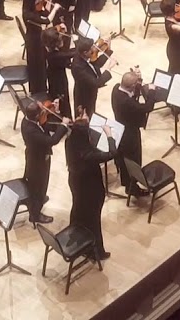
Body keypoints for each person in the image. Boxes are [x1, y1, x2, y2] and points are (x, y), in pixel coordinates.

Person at [66, 110, 117, 260]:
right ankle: (96, 252)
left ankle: (76, 237)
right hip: (90, 187)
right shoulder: (88, 154)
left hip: (75, 180)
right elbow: (112, 154)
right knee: (93, 218)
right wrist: (109, 136)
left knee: (78, 209)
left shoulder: (70, 141)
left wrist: (80, 121)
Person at [21, 98, 69, 224]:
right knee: (39, 186)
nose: (44, 113)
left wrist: (56, 111)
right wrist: (63, 125)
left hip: (38, 156)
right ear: (37, 115)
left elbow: (46, 125)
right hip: (37, 161)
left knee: (40, 184)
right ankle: (35, 215)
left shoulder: (30, 120)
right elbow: (52, 141)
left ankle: (40, 199)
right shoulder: (30, 130)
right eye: (42, 112)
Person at [112, 70, 156, 195]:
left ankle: (127, 181)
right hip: (129, 133)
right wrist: (151, 91)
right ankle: (132, 188)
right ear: (132, 86)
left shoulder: (116, 90)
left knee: (125, 157)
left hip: (120, 127)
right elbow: (147, 108)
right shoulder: (127, 102)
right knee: (133, 159)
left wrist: (139, 80)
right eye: (136, 84)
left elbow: (132, 93)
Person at [70, 38, 112, 116]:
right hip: (84, 97)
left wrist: (108, 51)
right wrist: (108, 70)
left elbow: (96, 64)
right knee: (85, 116)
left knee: (92, 112)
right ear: (85, 52)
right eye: (91, 48)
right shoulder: (78, 67)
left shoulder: (84, 56)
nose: (94, 49)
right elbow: (96, 83)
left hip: (90, 92)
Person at [161, 0, 180, 76]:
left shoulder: (172, 17)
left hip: (178, 48)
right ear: (171, 10)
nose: (178, 7)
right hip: (175, 51)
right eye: (175, 6)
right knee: (178, 72)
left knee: (175, 70)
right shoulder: (172, 26)